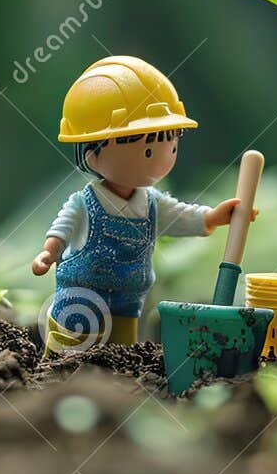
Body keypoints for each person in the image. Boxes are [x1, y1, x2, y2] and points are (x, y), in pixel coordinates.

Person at [32, 56, 253, 349]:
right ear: (92, 153)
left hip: (129, 297)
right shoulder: (85, 202)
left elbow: (180, 216)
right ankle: (57, 380)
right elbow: (63, 227)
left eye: (171, 146)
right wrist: (49, 253)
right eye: (148, 151)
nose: (162, 160)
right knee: (71, 345)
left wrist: (211, 217)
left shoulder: (152, 203)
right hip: (82, 293)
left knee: (121, 350)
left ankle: (118, 387)